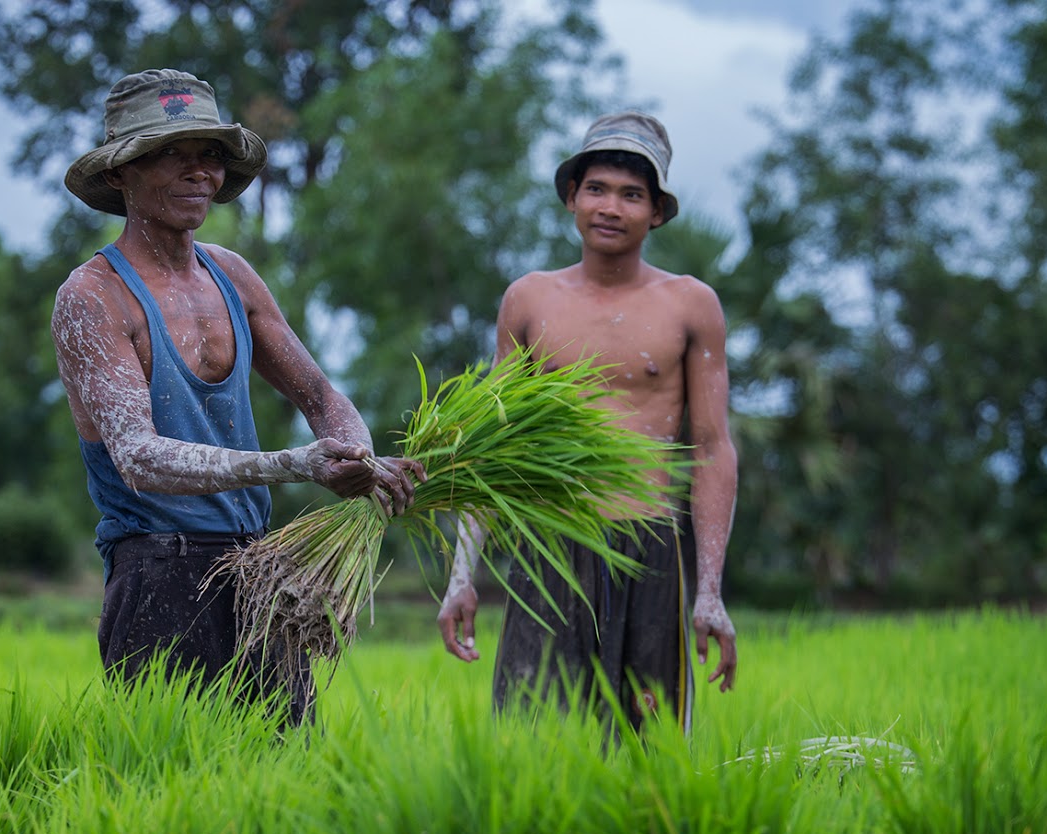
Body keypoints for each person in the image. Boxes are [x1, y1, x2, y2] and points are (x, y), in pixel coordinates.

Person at [52, 69, 423, 724]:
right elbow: (139, 458)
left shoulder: (233, 276)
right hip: (158, 571)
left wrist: (359, 459)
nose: (199, 171)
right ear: (120, 173)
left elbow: (321, 396)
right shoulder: (93, 297)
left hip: (257, 569)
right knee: (171, 772)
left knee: (288, 769)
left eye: (210, 154)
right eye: (172, 153)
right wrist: (294, 464)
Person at [436, 111, 738, 734]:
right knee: (532, 739)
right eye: (597, 189)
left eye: (632, 195)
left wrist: (709, 590)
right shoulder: (530, 299)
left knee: (649, 747)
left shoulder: (691, 304)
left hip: (649, 548)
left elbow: (712, 448)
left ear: (656, 212)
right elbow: (493, 445)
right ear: (572, 197)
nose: (611, 208)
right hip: (550, 545)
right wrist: (461, 574)